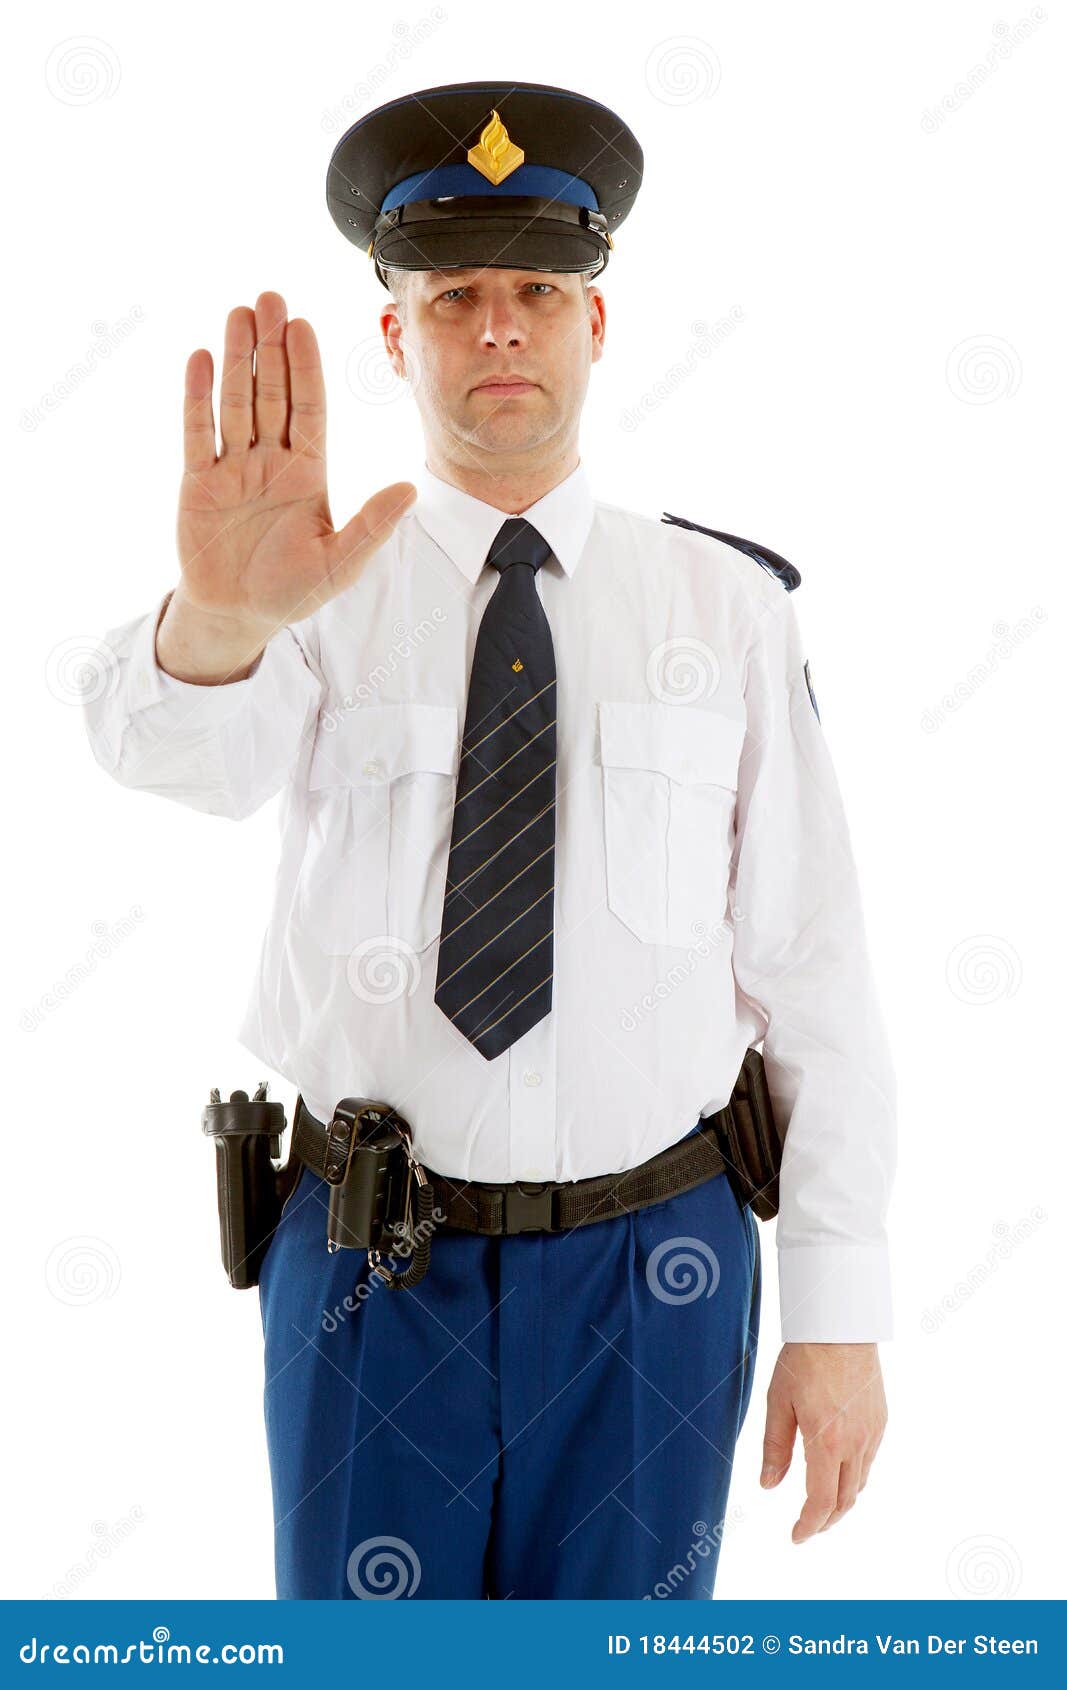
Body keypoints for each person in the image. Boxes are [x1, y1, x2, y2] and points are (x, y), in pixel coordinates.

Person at [82, 80, 896, 1600]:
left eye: (540, 293)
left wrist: (838, 1314)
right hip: (368, 1275)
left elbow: (816, 974)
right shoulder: (313, 591)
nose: (501, 328)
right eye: (455, 296)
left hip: (651, 1278)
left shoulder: (726, 609)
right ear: (397, 338)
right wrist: (220, 618)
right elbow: (175, 763)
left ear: (600, 323)